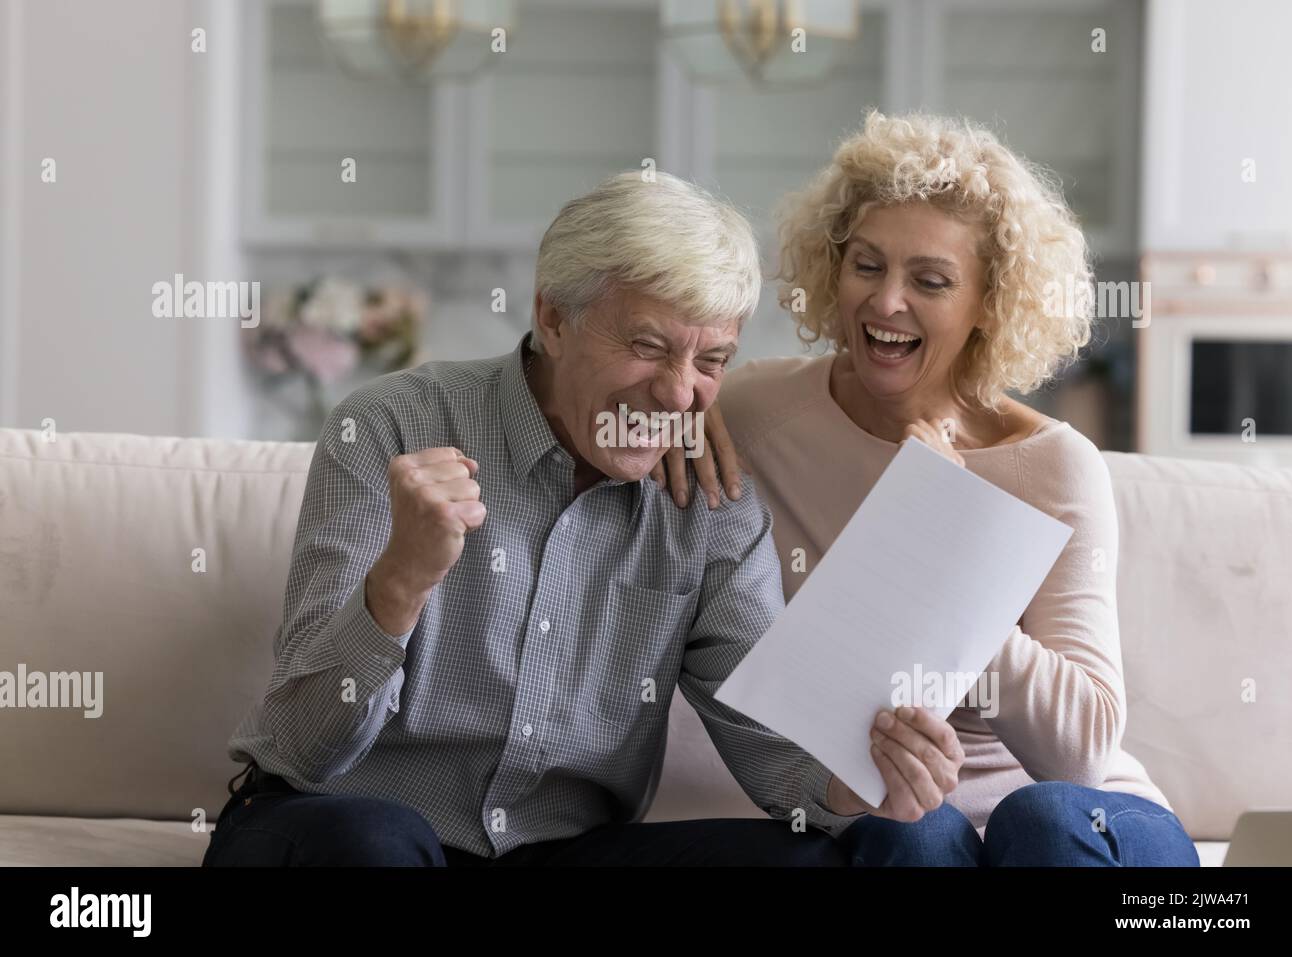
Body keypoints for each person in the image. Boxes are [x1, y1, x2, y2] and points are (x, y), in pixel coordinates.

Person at [202, 170, 912, 867]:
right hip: (337, 823)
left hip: (562, 847)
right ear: (553, 318)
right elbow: (301, 745)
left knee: (807, 861)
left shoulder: (708, 504)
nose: (675, 392)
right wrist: (401, 581)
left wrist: (853, 776)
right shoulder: (391, 426)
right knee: (371, 846)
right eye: (647, 346)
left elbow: (770, 732)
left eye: (711, 360)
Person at [652, 111, 1201, 866]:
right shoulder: (756, 414)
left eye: (930, 281)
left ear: (989, 305)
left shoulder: (1052, 463)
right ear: (833, 267)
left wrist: (948, 533)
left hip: (1078, 819)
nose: (886, 303)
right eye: (867, 266)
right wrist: (679, 416)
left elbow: (1080, 753)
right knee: (907, 827)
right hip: (893, 815)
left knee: (1039, 822)